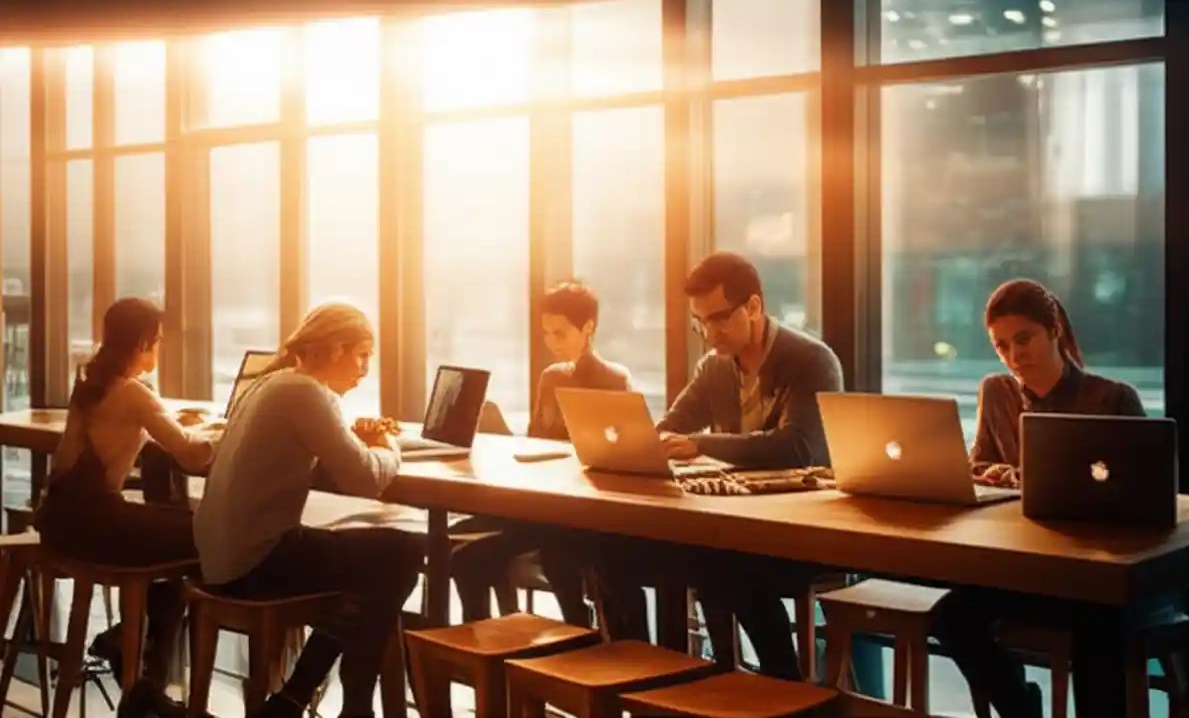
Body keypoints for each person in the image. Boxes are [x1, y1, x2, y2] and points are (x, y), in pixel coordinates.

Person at [594, 252, 843, 680]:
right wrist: (637, 444)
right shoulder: (714, 368)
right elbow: (671, 428)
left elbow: (801, 448)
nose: (709, 334)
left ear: (754, 307)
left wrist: (700, 444)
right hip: (734, 526)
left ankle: (782, 690)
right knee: (610, 552)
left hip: (801, 532)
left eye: (719, 319)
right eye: (700, 322)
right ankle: (651, 684)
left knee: (721, 569)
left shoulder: (810, 361)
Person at [193, 302, 423, 718]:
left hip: (219, 558)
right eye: (362, 355)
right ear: (335, 349)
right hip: (256, 564)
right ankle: (342, 703)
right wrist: (390, 444)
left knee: (373, 574)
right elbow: (367, 480)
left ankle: (303, 699)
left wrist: (353, 443)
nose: (365, 369)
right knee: (402, 552)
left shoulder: (273, 383)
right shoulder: (307, 393)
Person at [933, 278, 1147, 718]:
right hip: (1026, 568)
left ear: (1054, 330)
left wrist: (1020, 478)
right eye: (1001, 346)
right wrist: (985, 475)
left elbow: (1141, 494)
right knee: (950, 617)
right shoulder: (997, 393)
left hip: (1094, 573)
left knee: (1099, 621)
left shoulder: (1112, 399)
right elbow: (977, 470)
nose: (1014, 356)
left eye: (1024, 339)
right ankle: (1021, 709)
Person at [36, 297, 216, 718]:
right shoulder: (134, 392)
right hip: (96, 522)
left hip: (61, 520)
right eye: (156, 341)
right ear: (141, 342)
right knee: (204, 537)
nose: (158, 348)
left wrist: (175, 425)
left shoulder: (91, 383)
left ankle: (140, 662)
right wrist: (231, 434)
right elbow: (192, 457)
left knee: (175, 553)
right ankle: (148, 679)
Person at [450, 281, 630, 624]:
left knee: (556, 555)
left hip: (583, 512)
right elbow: (536, 442)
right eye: (546, 334)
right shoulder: (550, 378)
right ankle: (489, 651)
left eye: (559, 334)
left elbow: (616, 455)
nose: (551, 343)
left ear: (588, 328)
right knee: (466, 559)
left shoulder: (614, 380)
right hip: (544, 505)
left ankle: (576, 640)